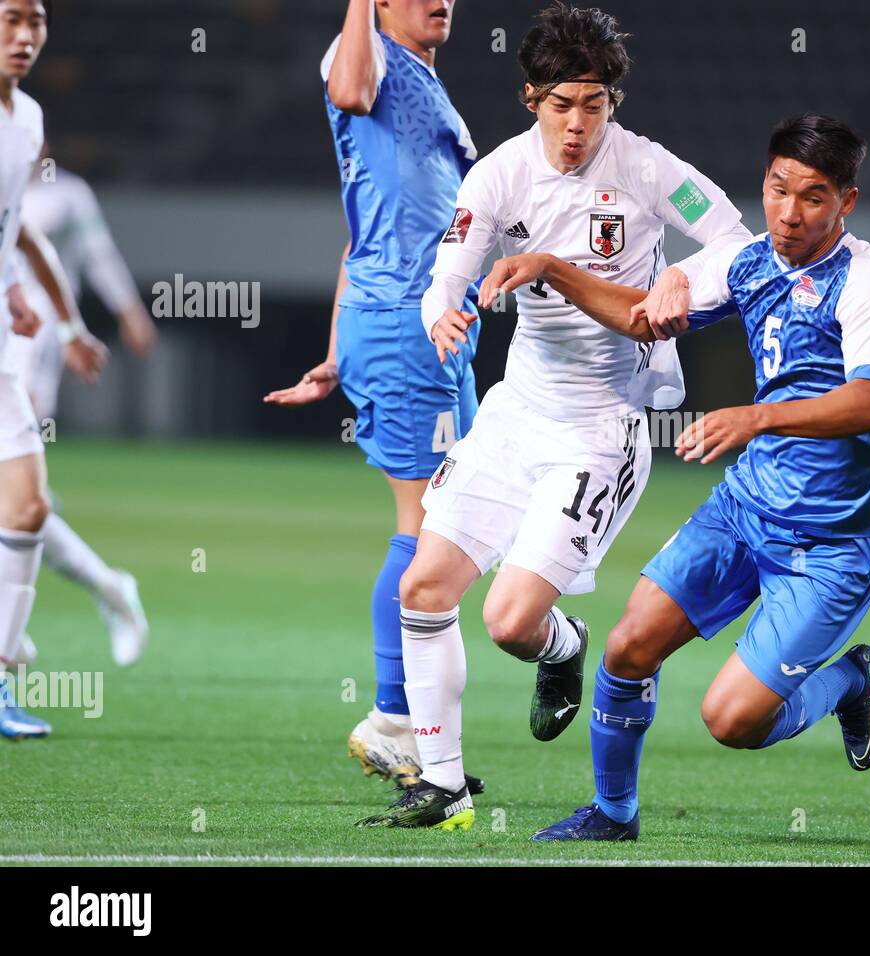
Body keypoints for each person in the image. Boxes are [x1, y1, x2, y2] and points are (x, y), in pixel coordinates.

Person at [357, 2, 751, 830]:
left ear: (613, 103)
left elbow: (736, 240)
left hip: (603, 430)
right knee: (424, 588)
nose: (578, 125)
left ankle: (560, 646)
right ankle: (444, 785)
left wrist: (683, 280)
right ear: (531, 96)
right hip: (518, 410)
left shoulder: (645, 169)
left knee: (508, 623)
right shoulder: (499, 174)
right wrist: (443, 314)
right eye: (563, 104)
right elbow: (449, 268)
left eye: (595, 105)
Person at [477, 114, 870, 842]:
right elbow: (642, 319)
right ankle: (614, 817)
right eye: (777, 190)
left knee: (731, 722)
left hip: (836, 538)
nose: (789, 213)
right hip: (747, 509)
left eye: (813, 197)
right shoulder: (750, 261)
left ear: (846, 203)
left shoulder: (866, 277)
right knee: (626, 647)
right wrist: (551, 267)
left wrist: (756, 419)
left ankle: (849, 681)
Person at [263, 0, 484, 795]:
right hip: (404, 327)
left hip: (424, 328)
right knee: (425, 524)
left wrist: (331, 352)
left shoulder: (425, 81)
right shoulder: (366, 57)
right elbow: (349, 90)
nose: (441, 1)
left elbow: (363, 233)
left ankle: (417, 726)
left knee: (467, 514)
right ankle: (395, 722)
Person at [0, 0, 109, 739]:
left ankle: (2, 677)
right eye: (10, 19)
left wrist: (55, 313)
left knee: (27, 507)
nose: (25, 36)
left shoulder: (27, 118)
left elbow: (19, 228)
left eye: (35, 21)